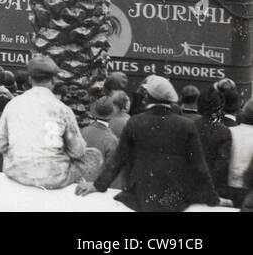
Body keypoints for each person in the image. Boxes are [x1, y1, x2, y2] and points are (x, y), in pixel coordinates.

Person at [77, 75, 221, 212]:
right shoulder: (187, 125)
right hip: (172, 199)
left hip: (140, 196)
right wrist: (213, 198)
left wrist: (98, 185)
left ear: (149, 97)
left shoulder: (135, 121)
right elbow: (199, 166)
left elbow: (118, 159)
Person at [0, 55, 102, 189]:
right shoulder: (63, 109)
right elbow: (78, 152)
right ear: (54, 79)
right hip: (54, 177)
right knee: (95, 155)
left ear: (30, 79)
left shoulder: (12, 104)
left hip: (17, 173)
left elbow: (0, 145)